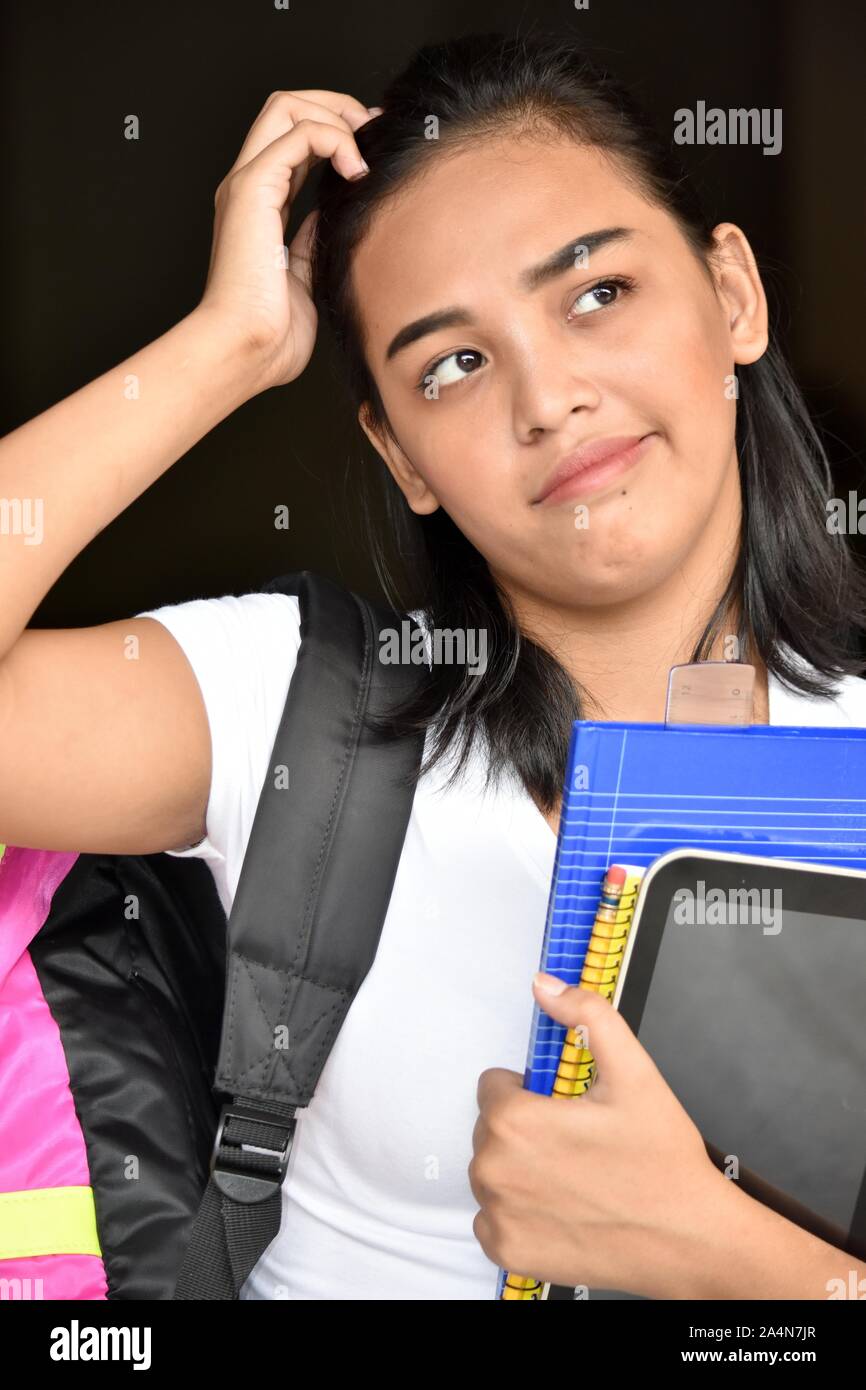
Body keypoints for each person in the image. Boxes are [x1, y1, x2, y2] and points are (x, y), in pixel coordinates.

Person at [1, 30, 864, 1300]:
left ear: (729, 293)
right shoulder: (298, 713)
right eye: (450, 363)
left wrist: (741, 1264)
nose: (545, 396)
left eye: (594, 293)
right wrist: (226, 346)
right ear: (399, 455)